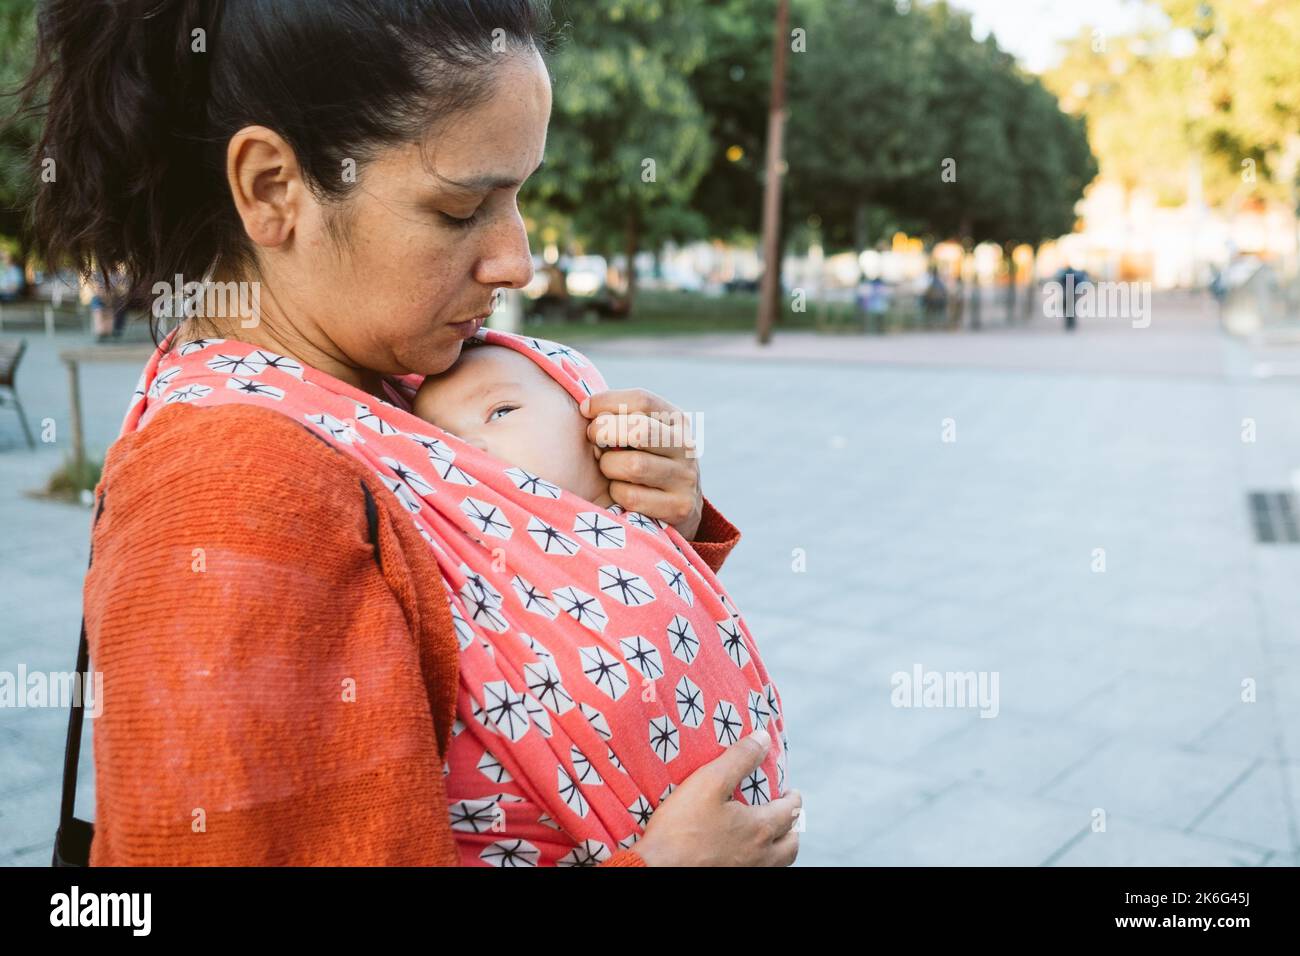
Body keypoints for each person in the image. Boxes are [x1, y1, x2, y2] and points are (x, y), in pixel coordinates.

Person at [19, 0, 800, 867]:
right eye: (461, 210)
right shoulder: (232, 495)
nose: (517, 258)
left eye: (518, 196)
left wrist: (632, 516)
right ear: (273, 188)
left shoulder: (381, 378)